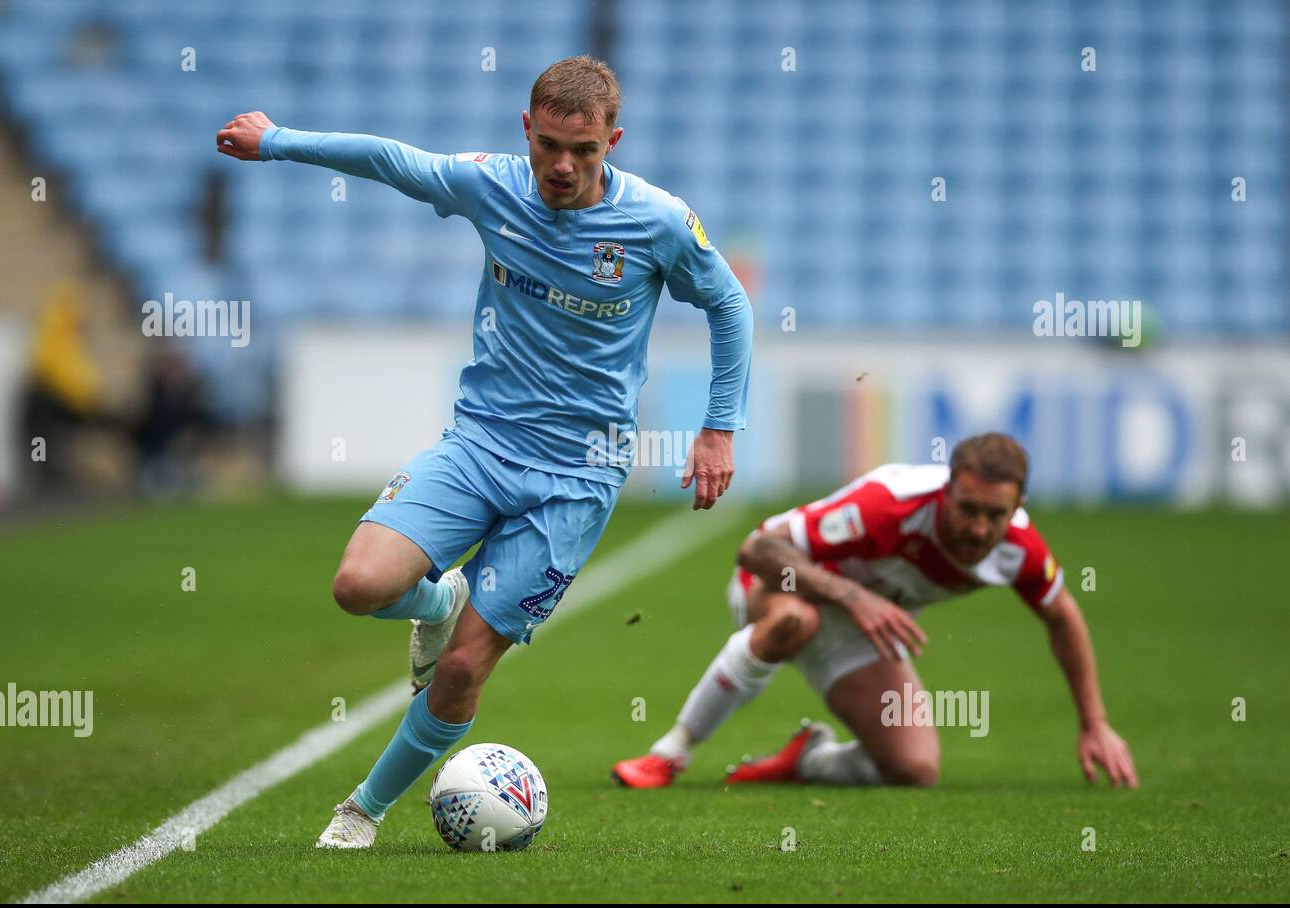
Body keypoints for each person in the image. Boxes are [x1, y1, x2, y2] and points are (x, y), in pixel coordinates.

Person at [217, 56, 753, 847]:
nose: (562, 167)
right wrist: (279, 141)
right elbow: (394, 161)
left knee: (466, 669)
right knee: (358, 584)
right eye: (549, 147)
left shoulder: (659, 222)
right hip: (479, 443)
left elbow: (729, 304)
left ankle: (361, 811)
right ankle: (438, 599)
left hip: (578, 475)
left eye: (585, 150)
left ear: (614, 140)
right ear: (526, 131)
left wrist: (719, 425)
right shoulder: (491, 185)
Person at [613, 433, 1140, 790]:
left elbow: (1062, 615)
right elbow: (757, 550)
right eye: (967, 510)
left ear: (1018, 505)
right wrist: (852, 595)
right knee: (798, 619)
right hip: (780, 586)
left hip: (856, 619)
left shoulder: (1019, 550)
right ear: (946, 491)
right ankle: (670, 751)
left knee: (914, 768)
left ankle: (809, 759)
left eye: (994, 515)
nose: (979, 529)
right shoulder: (890, 505)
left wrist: (1095, 723)